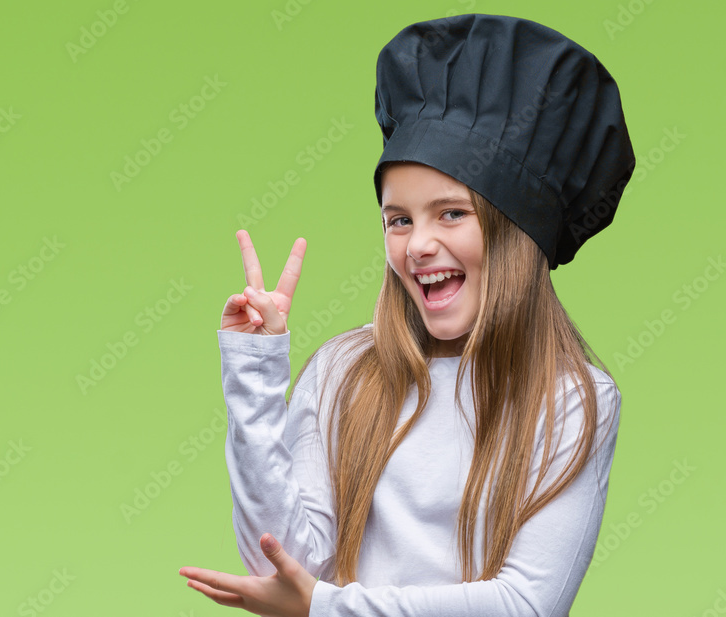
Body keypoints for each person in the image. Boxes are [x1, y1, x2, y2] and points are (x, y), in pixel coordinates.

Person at [179, 13, 635, 617]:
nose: (416, 244)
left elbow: (526, 605)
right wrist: (254, 374)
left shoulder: (574, 397)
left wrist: (324, 608)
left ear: (515, 234)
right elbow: (280, 568)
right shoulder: (345, 369)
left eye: (450, 214)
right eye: (399, 219)